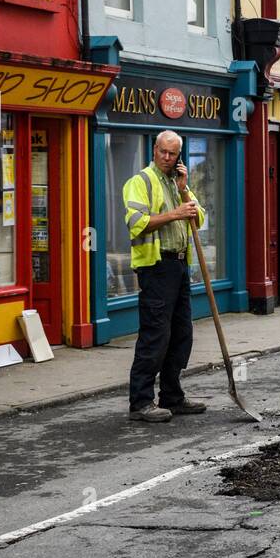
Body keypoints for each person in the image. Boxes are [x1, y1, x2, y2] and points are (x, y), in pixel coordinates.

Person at [122, 131, 208, 422]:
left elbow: (199, 218)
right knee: (155, 336)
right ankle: (140, 402)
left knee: (182, 334)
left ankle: (172, 395)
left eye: (173, 154)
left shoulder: (177, 183)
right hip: (156, 267)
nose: (168, 159)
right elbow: (136, 223)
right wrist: (174, 213)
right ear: (155, 149)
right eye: (164, 153)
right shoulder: (141, 182)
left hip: (180, 266)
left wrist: (185, 190)